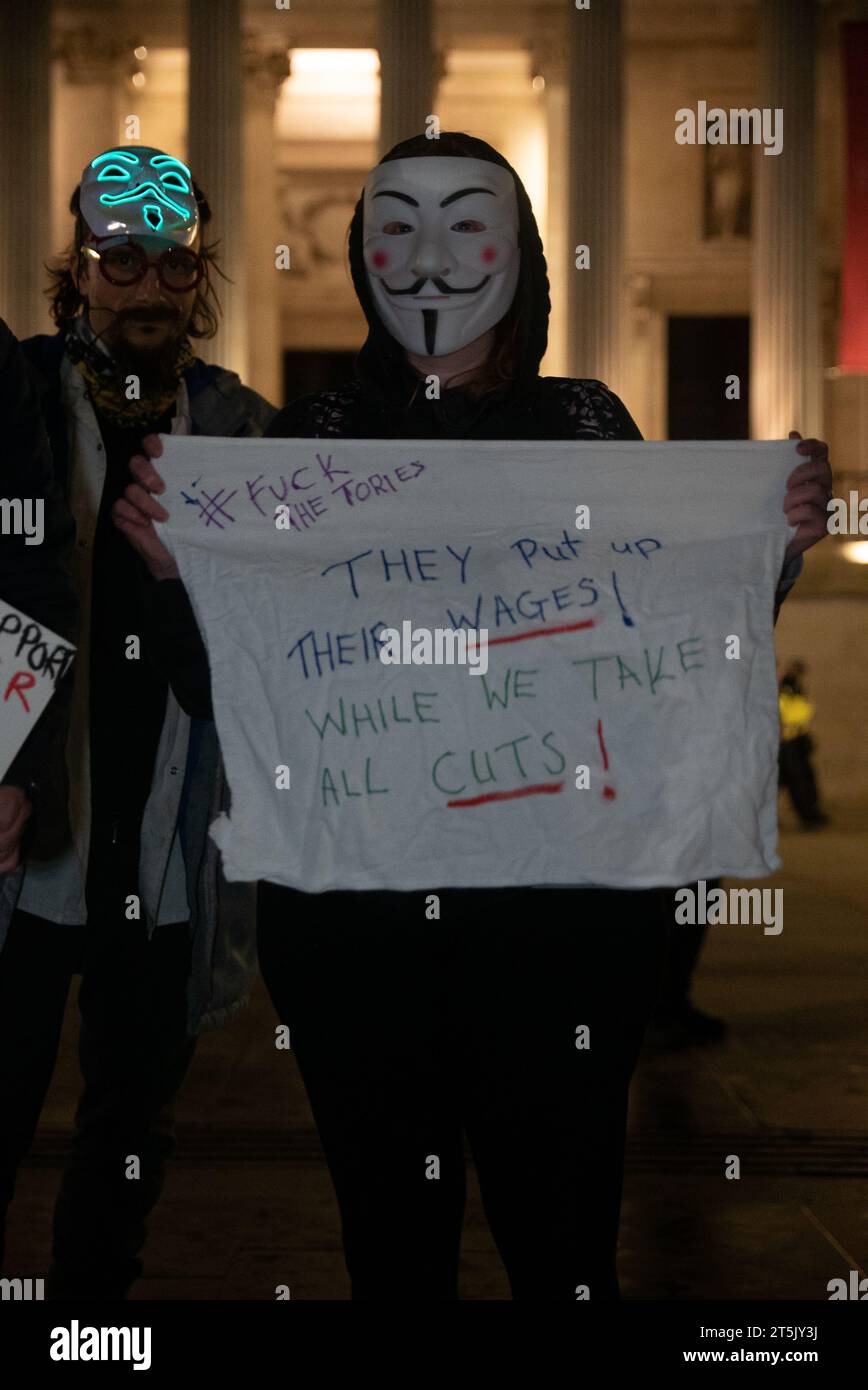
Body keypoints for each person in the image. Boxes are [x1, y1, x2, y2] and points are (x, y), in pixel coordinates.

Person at [115, 133, 833, 1300]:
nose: (430, 259)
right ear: (358, 256)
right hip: (359, 942)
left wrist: (765, 546)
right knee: (393, 1256)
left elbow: (660, 647)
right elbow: (240, 703)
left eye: (466, 222)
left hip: (563, 940)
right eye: (395, 225)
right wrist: (171, 580)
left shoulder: (592, 426)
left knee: (562, 1249)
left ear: (526, 254)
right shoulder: (301, 447)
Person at [0, 145, 275, 1300]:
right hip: (25, 845)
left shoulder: (245, 432)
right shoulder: (10, 397)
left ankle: (87, 1329)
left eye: (172, 263)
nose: (148, 285)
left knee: (125, 1141)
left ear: (199, 273)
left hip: (159, 856)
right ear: (81, 267)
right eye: (122, 259)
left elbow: (267, 659)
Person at [778, 660, 828, 828]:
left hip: (793, 741)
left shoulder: (792, 690)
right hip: (783, 744)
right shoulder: (775, 689)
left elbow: (800, 713)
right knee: (792, 780)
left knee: (800, 780)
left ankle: (809, 814)